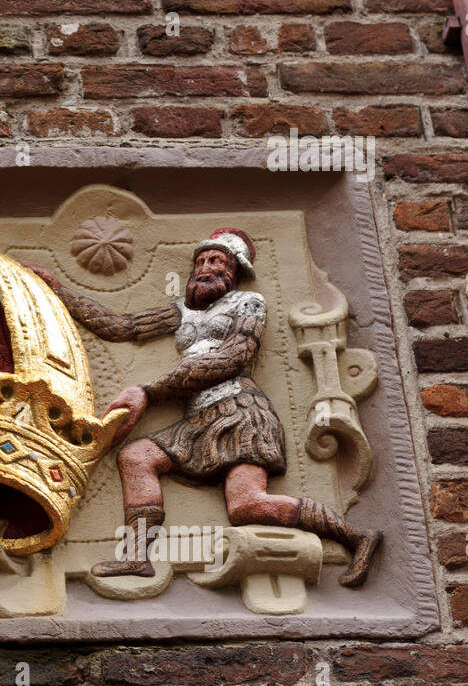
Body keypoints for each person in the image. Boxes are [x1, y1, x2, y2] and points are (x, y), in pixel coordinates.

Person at [28, 228, 382, 587]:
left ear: (234, 270)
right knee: (136, 457)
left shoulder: (249, 303)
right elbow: (120, 326)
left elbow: (233, 356)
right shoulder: (183, 311)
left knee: (246, 506)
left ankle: (355, 537)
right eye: (200, 261)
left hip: (240, 411)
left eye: (216, 261)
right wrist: (58, 291)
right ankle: (137, 557)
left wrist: (149, 391)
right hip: (198, 418)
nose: (204, 267)